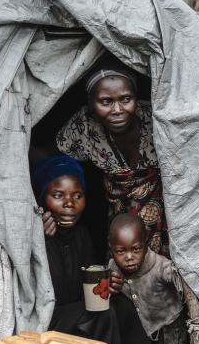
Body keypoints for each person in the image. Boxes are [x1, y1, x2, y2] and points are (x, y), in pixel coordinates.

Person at [33, 154, 161, 344]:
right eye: (58, 195)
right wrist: (36, 234)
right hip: (46, 318)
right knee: (102, 312)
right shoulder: (34, 232)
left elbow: (88, 279)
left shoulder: (81, 235)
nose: (69, 204)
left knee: (120, 304)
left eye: (77, 196)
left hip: (75, 310)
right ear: (42, 199)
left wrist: (109, 284)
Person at [56, 67, 168, 254]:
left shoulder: (158, 119)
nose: (117, 110)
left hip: (167, 217)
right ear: (91, 104)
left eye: (126, 99)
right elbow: (51, 156)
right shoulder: (84, 125)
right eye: (106, 101)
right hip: (120, 220)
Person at [106, 213, 189, 344]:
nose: (129, 256)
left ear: (146, 245)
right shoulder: (112, 268)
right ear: (111, 249)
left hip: (164, 323)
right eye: (121, 251)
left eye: (136, 249)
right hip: (139, 327)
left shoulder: (160, 266)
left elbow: (180, 281)